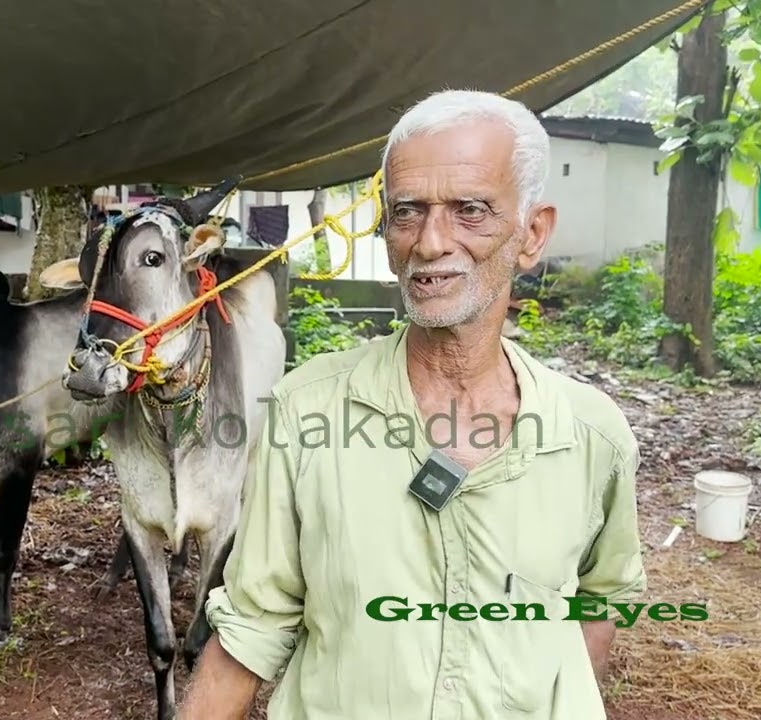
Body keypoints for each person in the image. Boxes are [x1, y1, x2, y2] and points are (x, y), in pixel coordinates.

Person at [177, 90, 646, 719]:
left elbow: (600, 600)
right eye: (407, 212)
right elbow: (250, 628)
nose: (430, 242)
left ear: (532, 234)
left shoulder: (592, 436)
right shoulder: (306, 412)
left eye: (470, 210)